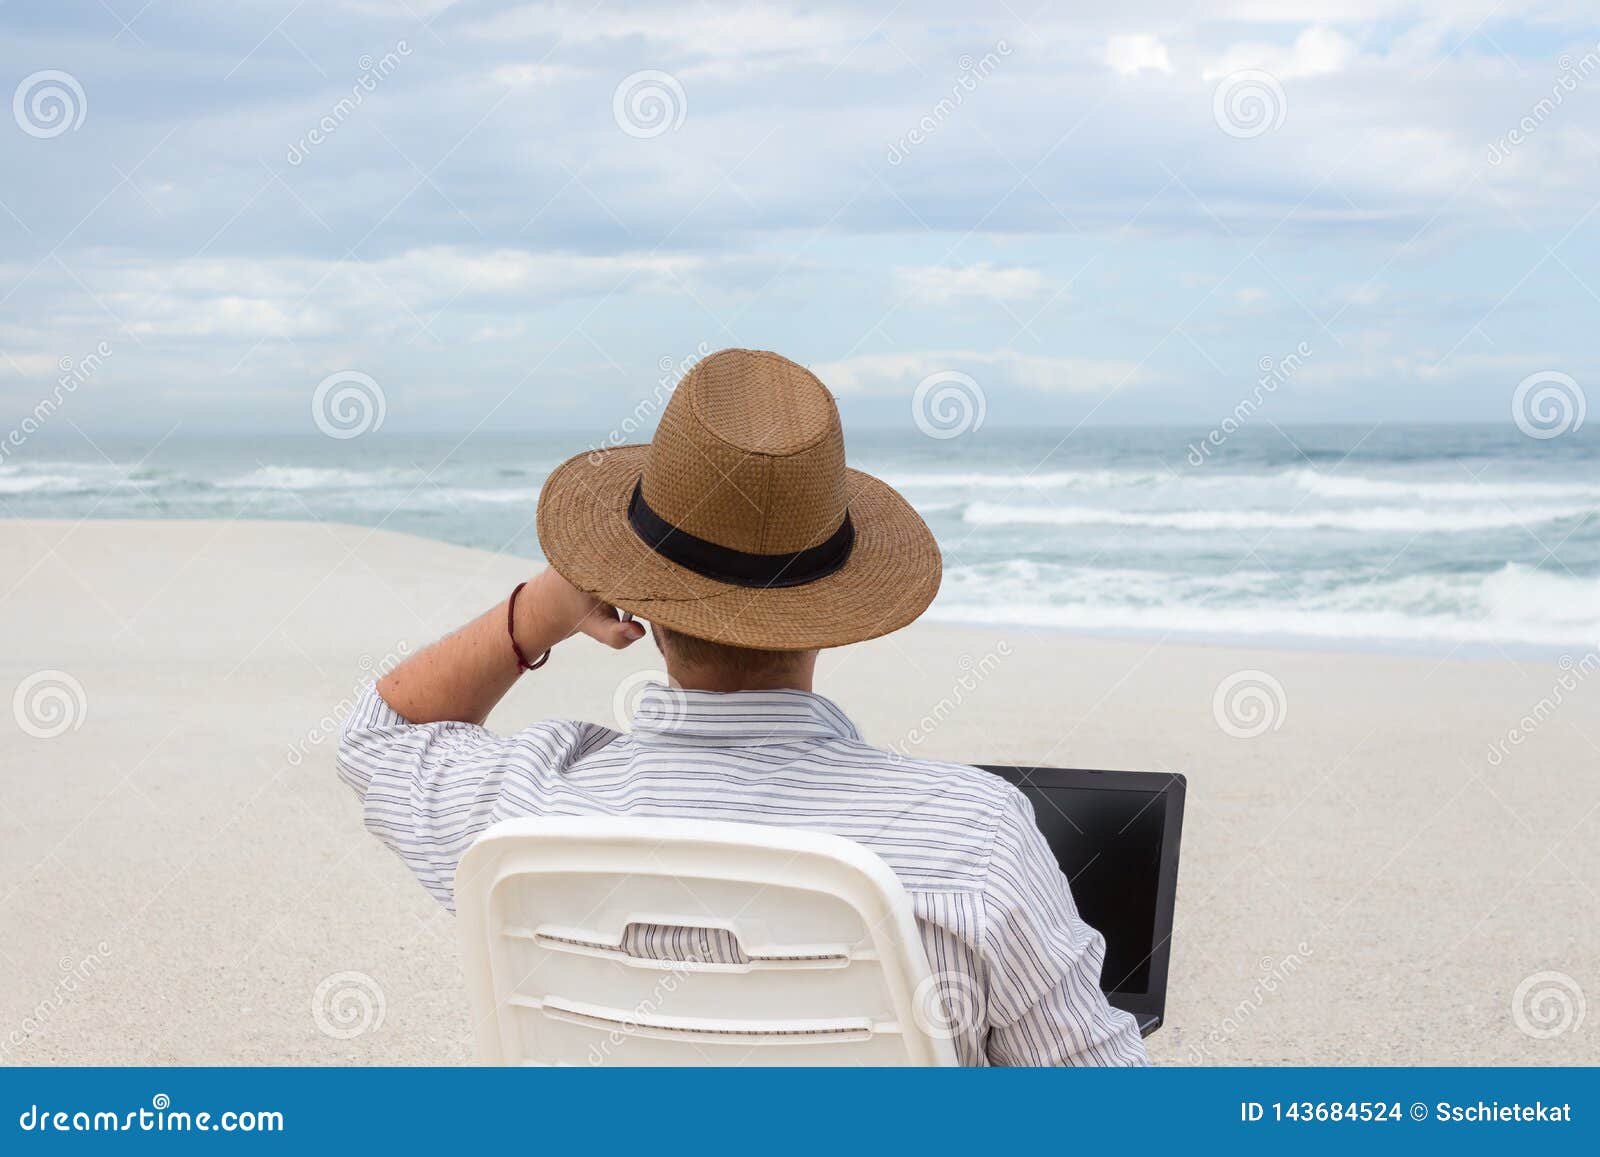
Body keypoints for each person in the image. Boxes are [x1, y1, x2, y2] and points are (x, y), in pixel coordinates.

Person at [337, 347, 1147, 1066]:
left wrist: (544, 607)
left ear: (637, 604)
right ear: (832, 612)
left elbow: (377, 734)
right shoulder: (977, 837)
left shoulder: (529, 809)